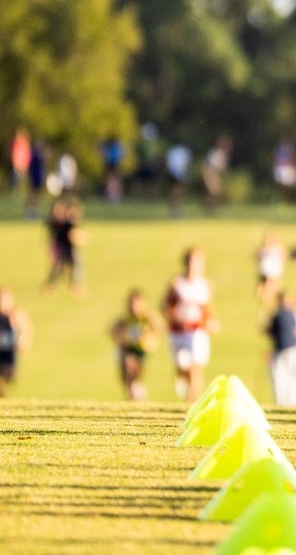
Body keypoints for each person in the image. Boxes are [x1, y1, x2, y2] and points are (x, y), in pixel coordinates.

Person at [164, 247, 217, 403]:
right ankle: (186, 390)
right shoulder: (176, 284)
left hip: (197, 332)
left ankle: (191, 402)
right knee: (183, 366)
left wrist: (211, 321)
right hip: (178, 332)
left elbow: (208, 309)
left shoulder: (205, 285)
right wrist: (176, 319)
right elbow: (165, 307)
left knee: (195, 369)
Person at [110, 288, 160, 401]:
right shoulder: (125, 318)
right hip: (127, 348)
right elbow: (112, 331)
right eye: (132, 304)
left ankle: (134, 391)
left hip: (140, 350)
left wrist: (150, 337)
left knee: (131, 367)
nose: (134, 308)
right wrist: (120, 337)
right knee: (126, 375)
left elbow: (158, 328)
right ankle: (133, 393)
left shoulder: (145, 318)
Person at [0, 287, 32, 398]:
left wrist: (23, 341)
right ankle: (1, 391)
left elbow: (26, 328)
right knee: (0, 372)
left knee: (11, 372)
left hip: (11, 348)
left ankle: (4, 386)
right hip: (0, 348)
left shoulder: (15, 314)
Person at [267, 291, 296, 406]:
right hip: (293, 351)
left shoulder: (278, 316)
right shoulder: (293, 315)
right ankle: (292, 404)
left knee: (280, 378)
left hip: (282, 351)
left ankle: (283, 403)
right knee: (292, 378)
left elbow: (271, 333)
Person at [42, 194, 85, 296]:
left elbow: (74, 232)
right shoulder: (55, 223)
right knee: (60, 267)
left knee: (74, 266)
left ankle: (74, 284)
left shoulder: (68, 222)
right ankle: (51, 284)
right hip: (62, 247)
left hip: (69, 248)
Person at [201, 136, 230, 215]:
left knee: (216, 193)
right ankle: (208, 208)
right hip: (210, 175)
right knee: (214, 192)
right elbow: (212, 166)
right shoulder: (215, 153)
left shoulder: (221, 154)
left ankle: (209, 207)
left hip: (215, 175)